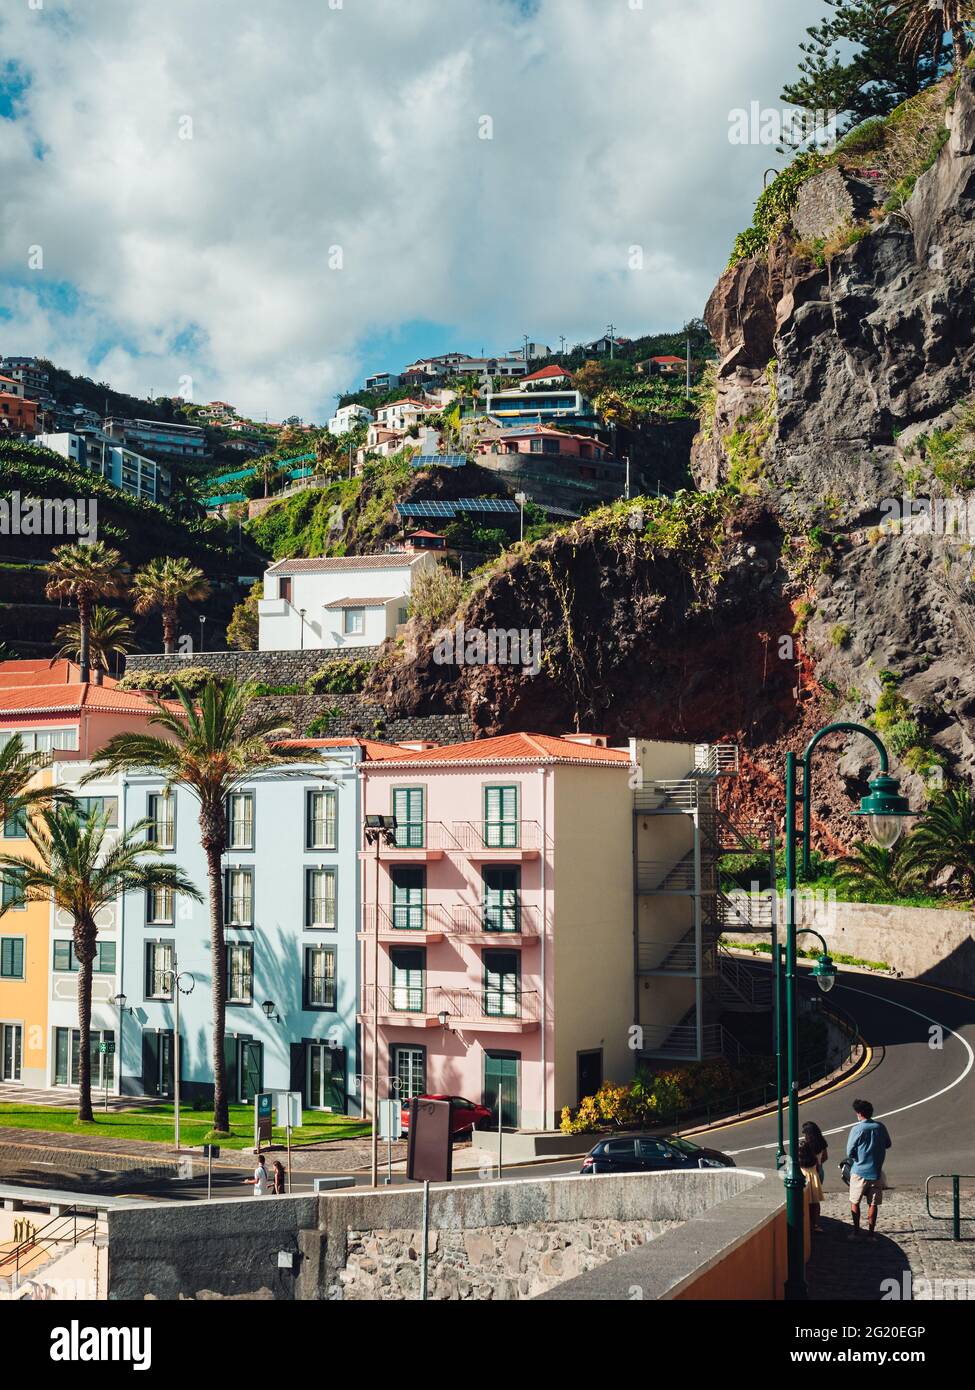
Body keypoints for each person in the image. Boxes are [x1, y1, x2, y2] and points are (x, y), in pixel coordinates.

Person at [846, 1099, 891, 1240]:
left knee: (855, 1201)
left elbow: (849, 1151)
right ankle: (871, 1234)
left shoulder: (857, 1129)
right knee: (873, 1203)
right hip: (875, 1172)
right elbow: (888, 1144)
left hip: (859, 1171)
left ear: (859, 1114)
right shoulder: (880, 1127)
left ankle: (856, 1231)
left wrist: (858, 1157)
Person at [802, 1120, 829, 1231]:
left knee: (808, 1200)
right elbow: (825, 1157)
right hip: (819, 1172)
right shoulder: (822, 1143)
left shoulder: (806, 1145)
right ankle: (816, 1224)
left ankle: (809, 1223)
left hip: (808, 1173)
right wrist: (819, 1163)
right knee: (815, 1199)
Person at [798, 1137, 824, 1235]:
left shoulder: (798, 1160)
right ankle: (815, 1224)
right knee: (815, 1203)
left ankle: (807, 1223)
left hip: (804, 1178)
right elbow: (818, 1167)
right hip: (814, 1178)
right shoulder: (813, 1158)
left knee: (806, 1204)